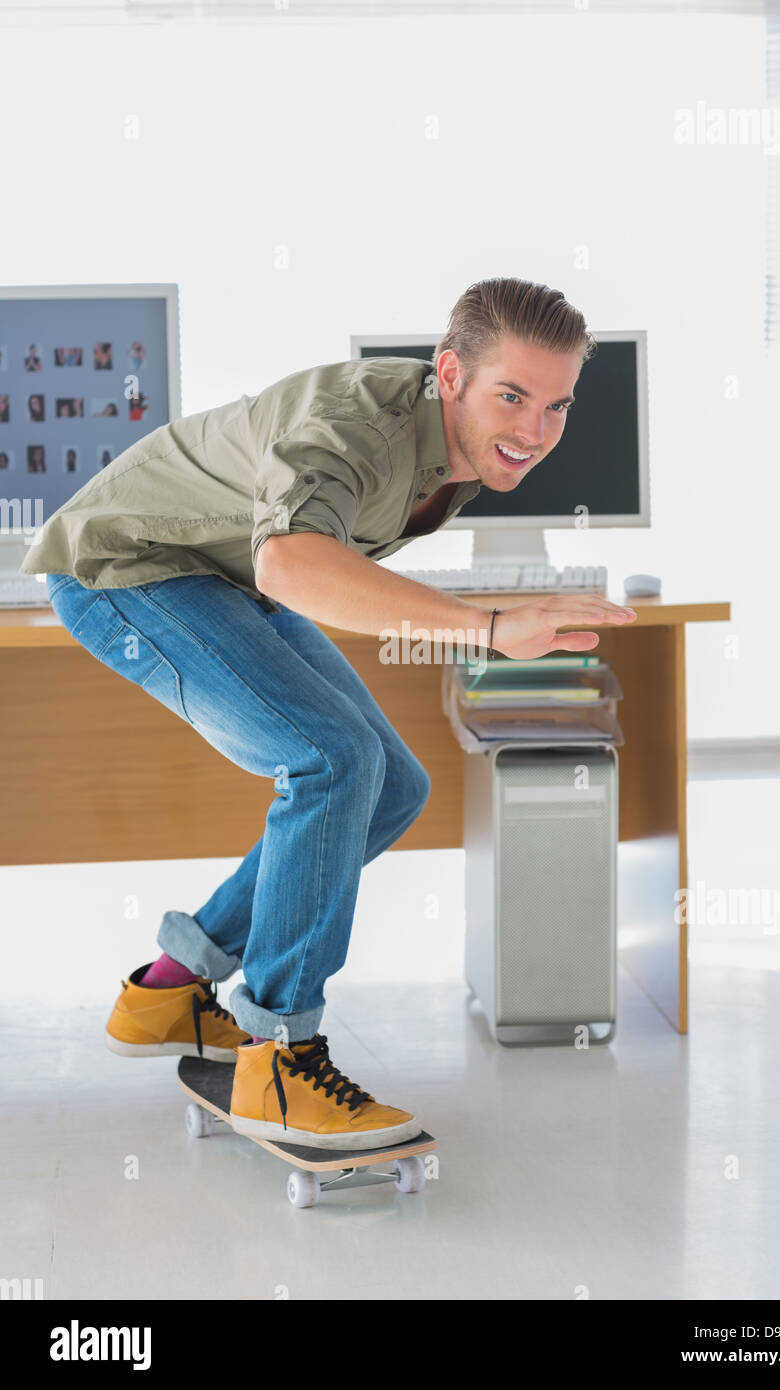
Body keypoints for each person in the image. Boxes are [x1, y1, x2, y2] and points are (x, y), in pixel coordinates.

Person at [19, 276, 636, 1151]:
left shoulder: (450, 453)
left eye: (557, 405)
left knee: (391, 787)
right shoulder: (362, 425)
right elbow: (290, 565)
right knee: (335, 758)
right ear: (450, 374)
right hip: (126, 569)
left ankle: (169, 987)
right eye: (513, 396)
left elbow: (295, 561)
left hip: (210, 574)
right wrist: (489, 632)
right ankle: (278, 1059)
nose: (536, 432)